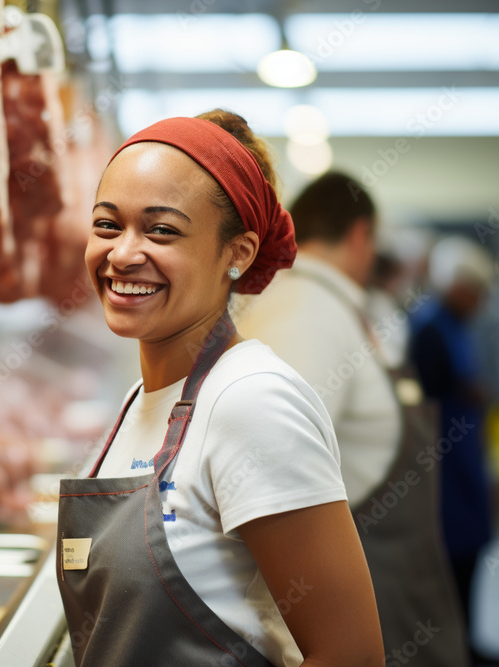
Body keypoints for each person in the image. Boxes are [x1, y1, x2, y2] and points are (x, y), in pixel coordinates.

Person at [56, 112, 383, 666]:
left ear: (239, 252)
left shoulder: (251, 400)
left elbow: (351, 656)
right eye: (108, 224)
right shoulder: (140, 400)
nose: (122, 253)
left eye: (162, 230)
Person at [239, 172, 468, 665]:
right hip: (354, 582)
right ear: (362, 234)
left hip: (386, 574)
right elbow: (273, 468)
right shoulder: (307, 310)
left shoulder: (329, 302)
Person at [408, 236, 499, 665]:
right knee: (452, 559)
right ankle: (454, 648)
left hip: (464, 460)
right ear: (458, 287)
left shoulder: (455, 324)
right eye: (476, 293)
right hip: (444, 465)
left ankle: (469, 642)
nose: (480, 303)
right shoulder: (429, 327)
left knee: (470, 554)